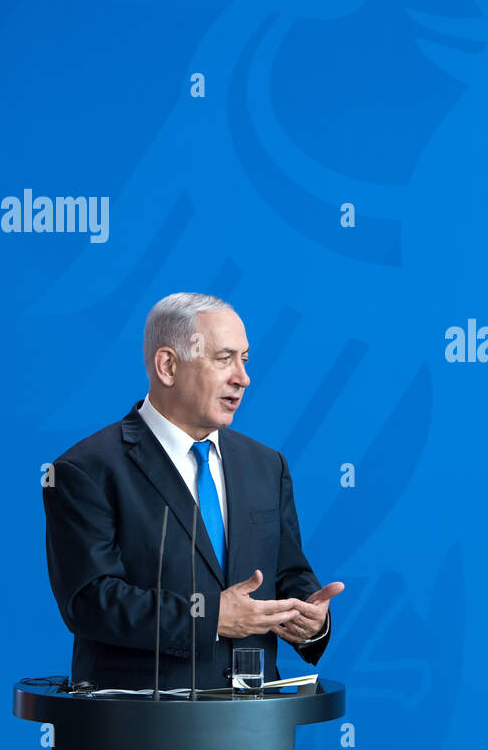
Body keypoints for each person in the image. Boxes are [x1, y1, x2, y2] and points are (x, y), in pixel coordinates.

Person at [44, 292, 344, 698]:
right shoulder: (87, 469)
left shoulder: (266, 465)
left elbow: (287, 572)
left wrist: (310, 618)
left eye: (245, 359)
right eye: (224, 359)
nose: (242, 377)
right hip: (136, 734)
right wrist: (211, 617)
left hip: (253, 735)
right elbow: (91, 601)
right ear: (167, 366)